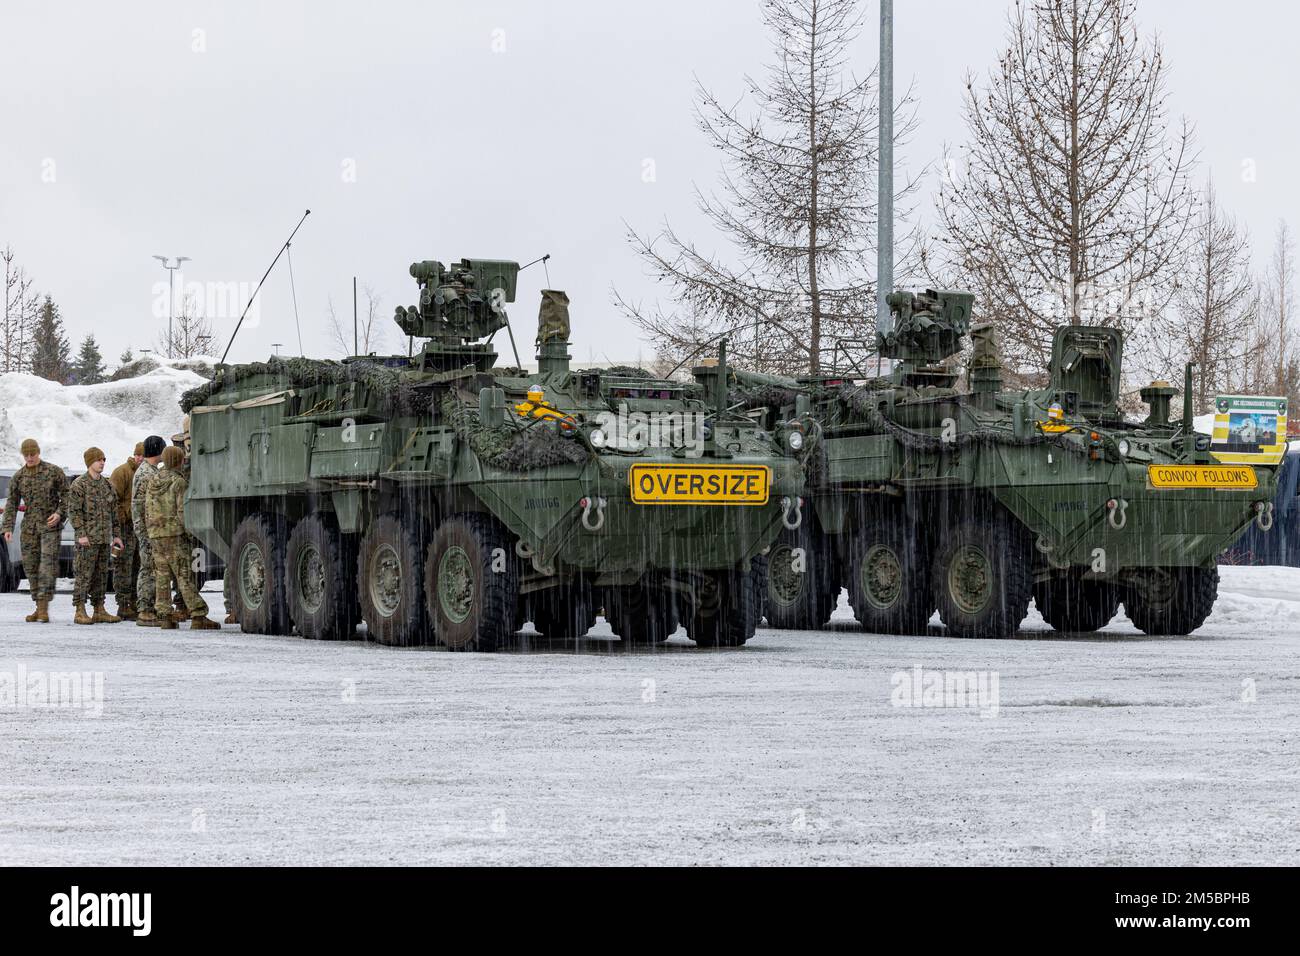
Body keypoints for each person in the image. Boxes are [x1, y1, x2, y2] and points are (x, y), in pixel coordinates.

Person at [145, 445, 218, 631]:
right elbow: (182, 512)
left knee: (162, 576)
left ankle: (165, 616)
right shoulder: (179, 483)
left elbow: (146, 509)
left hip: (155, 534)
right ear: (179, 461)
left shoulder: (152, 480)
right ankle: (198, 615)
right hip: (174, 535)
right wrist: (190, 532)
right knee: (184, 575)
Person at [1, 438, 67, 623]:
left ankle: (44, 606)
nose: (29, 458)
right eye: (26, 455)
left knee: (47, 565)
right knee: (30, 567)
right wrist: (7, 527)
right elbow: (12, 504)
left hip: (49, 526)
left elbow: (67, 496)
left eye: (33, 454)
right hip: (29, 528)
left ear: (38, 453)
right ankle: (38, 605)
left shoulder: (54, 472)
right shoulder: (19, 477)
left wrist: (60, 513)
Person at [66, 447, 125, 624]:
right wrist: (81, 534)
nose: (102, 463)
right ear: (89, 462)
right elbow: (74, 512)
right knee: (84, 574)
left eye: (103, 459)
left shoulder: (106, 485)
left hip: (103, 538)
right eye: (98, 460)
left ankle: (99, 608)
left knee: (100, 575)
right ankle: (80, 609)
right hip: (87, 540)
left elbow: (114, 512)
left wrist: (116, 535)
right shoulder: (79, 485)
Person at [132, 435, 167, 627]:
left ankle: (150, 607)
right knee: (148, 569)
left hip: (149, 528)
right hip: (148, 529)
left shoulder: (148, 471)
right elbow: (142, 506)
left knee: (152, 568)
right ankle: (145, 610)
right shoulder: (146, 474)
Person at [108, 442, 144, 619]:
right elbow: (112, 500)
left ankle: (136, 602)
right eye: (138, 455)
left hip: (140, 527)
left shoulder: (146, 473)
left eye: (143, 456)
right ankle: (123, 604)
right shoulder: (122, 472)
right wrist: (125, 514)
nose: (140, 458)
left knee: (138, 565)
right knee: (123, 566)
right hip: (124, 527)